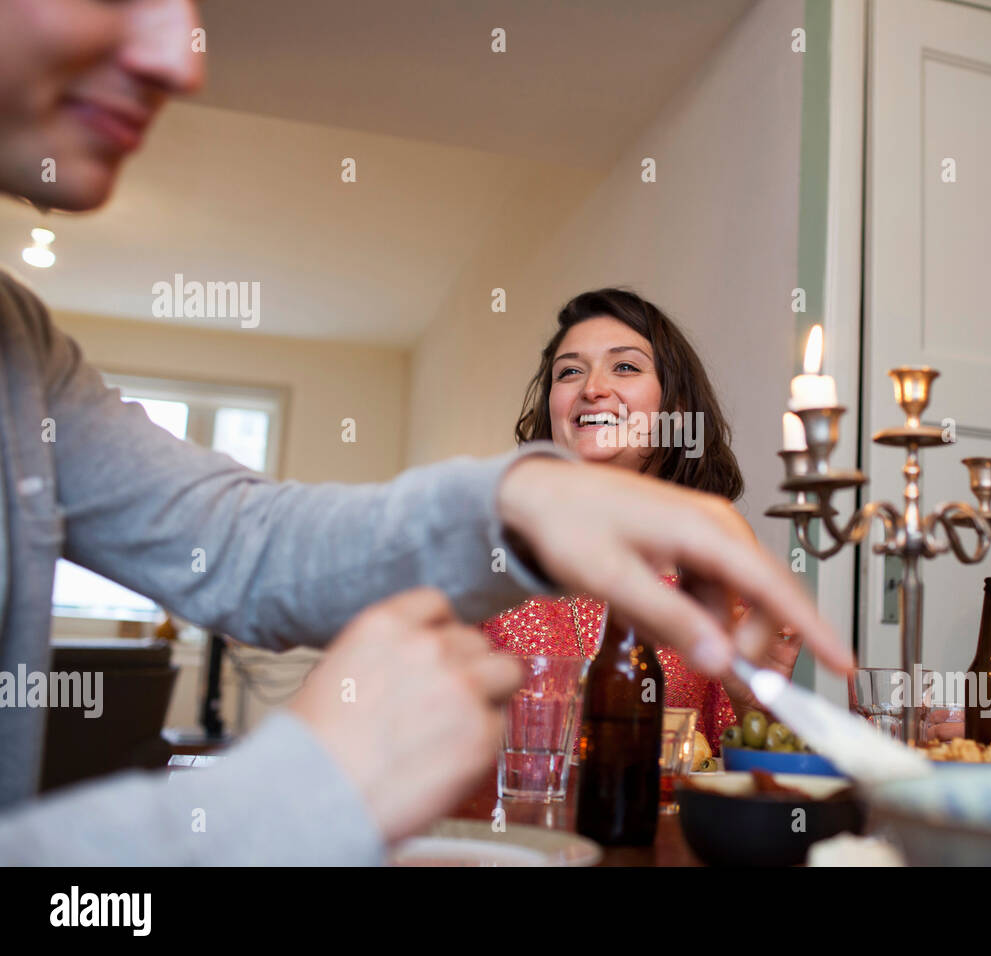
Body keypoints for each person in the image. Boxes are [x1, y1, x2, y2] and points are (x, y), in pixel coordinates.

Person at [0, 0, 851, 864]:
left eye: (626, 367)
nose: (185, 61)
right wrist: (298, 791)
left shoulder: (23, 349)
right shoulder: (486, 588)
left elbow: (239, 540)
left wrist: (516, 501)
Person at [482, 290, 801, 750]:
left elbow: (725, 764)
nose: (592, 388)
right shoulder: (494, 537)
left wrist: (754, 701)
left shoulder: (713, 547)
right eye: (569, 371)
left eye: (625, 367)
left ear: (674, 406)